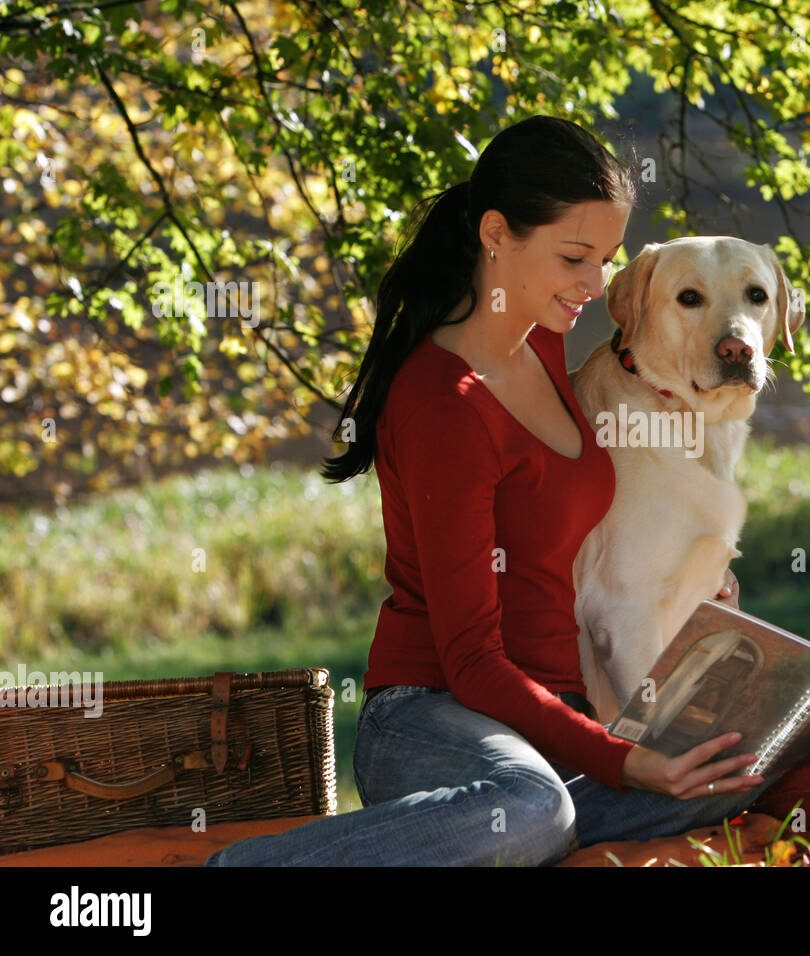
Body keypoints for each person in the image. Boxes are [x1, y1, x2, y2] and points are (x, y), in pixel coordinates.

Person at [205, 115, 780, 867]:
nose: (594, 286)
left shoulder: (543, 344)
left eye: (605, 259)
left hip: (554, 720)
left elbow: (599, 547)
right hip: (435, 717)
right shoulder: (445, 404)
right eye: (575, 257)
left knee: (738, 771)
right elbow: (471, 660)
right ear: (497, 235)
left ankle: (502, 835)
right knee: (533, 807)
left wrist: (694, 578)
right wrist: (623, 760)